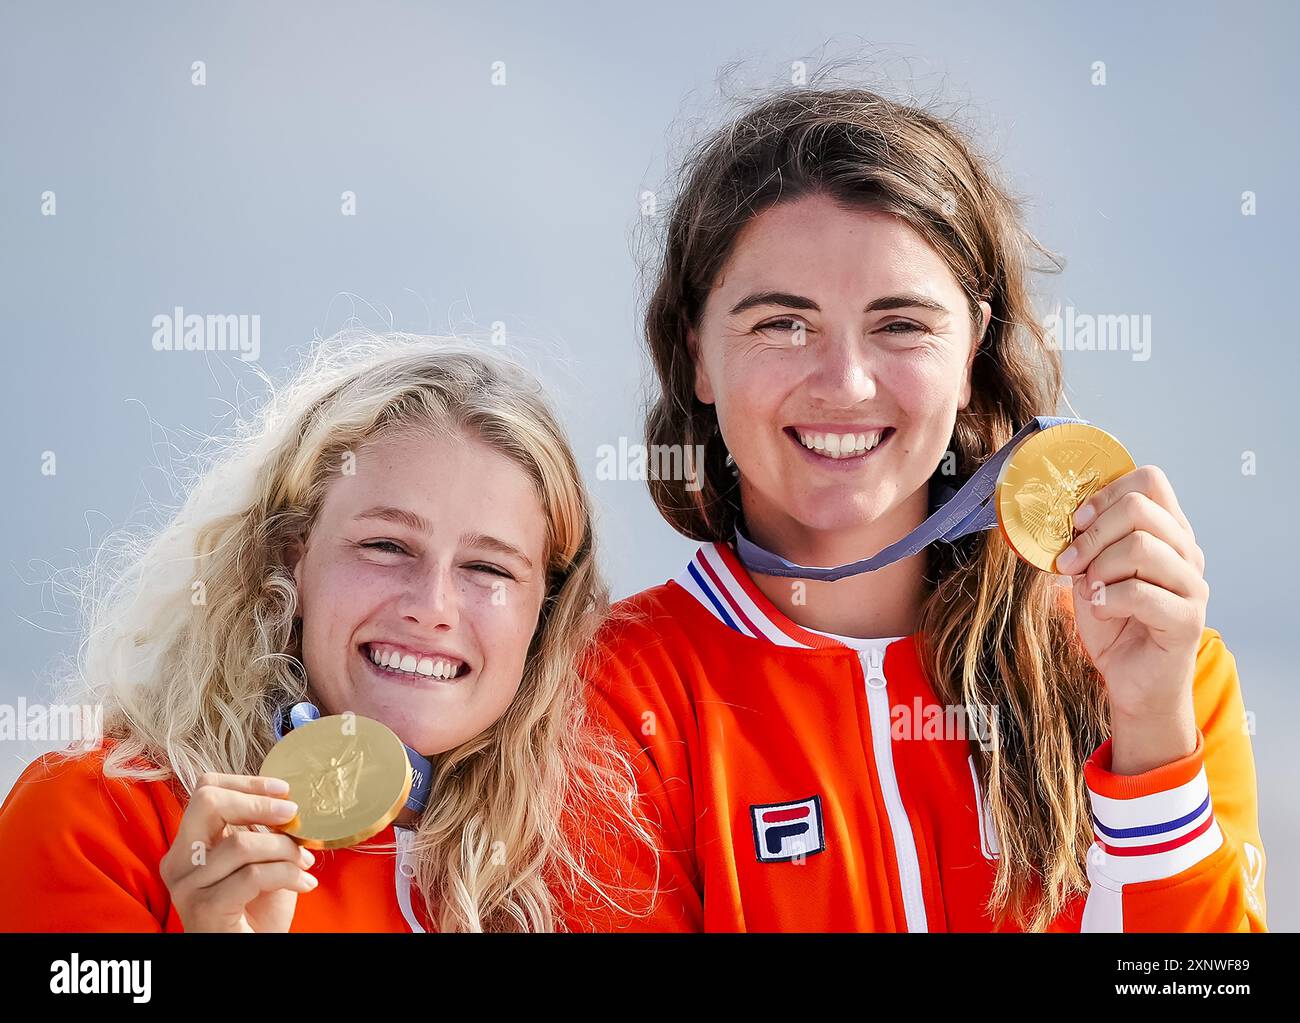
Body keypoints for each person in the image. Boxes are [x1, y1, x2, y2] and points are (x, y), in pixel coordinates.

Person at [583, 86, 1267, 931]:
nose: (844, 383)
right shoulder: (609, 697)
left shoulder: (1161, 666)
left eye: (900, 323)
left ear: (972, 351)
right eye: (782, 325)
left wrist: (1151, 732)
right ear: (695, 354)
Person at [0, 332, 655, 932]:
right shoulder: (95, 819)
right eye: (386, 544)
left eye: (487, 566)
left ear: (545, 611)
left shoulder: (587, 875)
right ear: (293, 557)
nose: (432, 606)